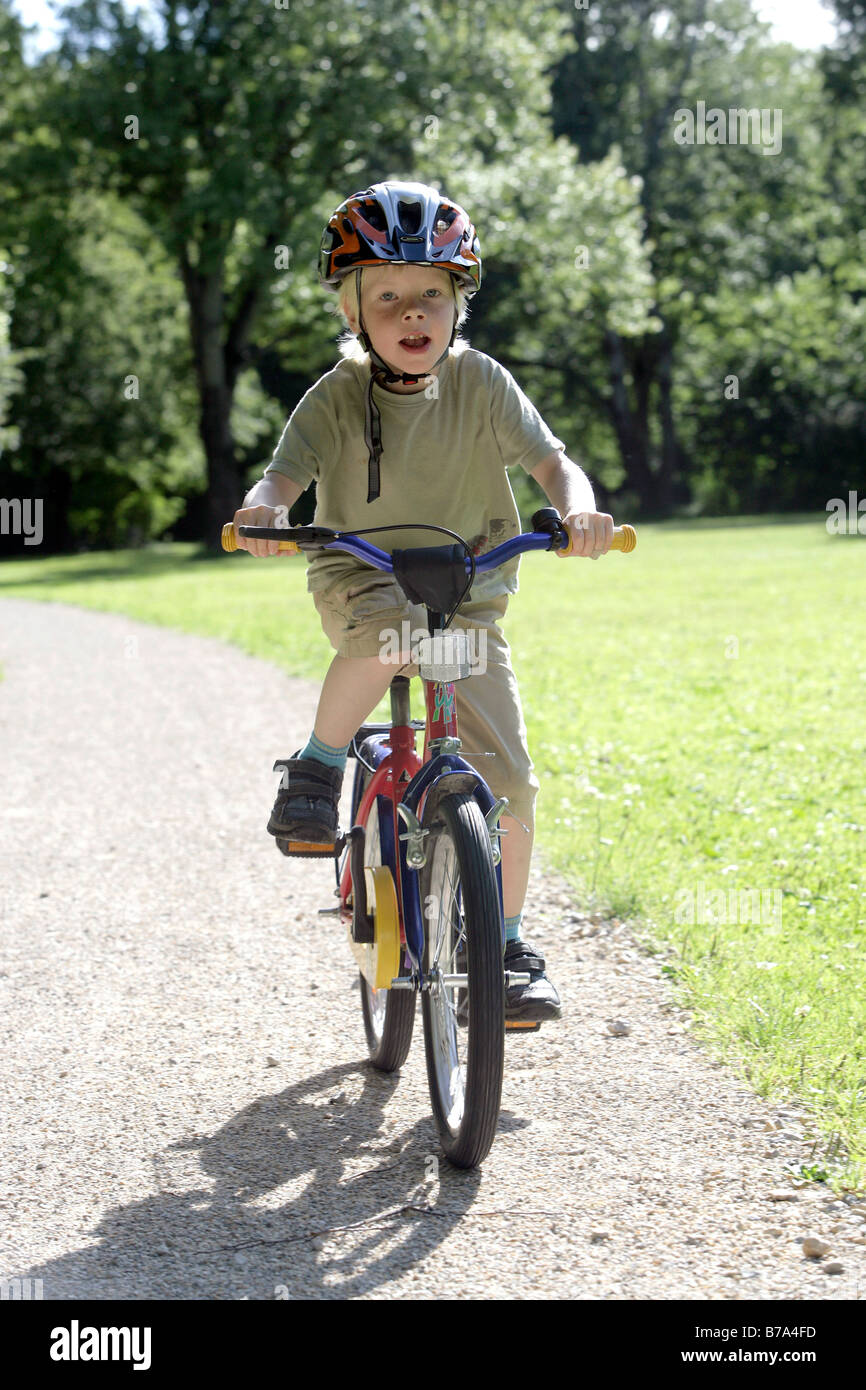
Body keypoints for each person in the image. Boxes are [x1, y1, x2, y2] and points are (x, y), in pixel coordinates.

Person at [231, 181, 613, 1024]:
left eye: (431, 294)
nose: (413, 313)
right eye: (389, 296)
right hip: (362, 576)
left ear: (457, 303)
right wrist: (265, 509)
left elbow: (554, 465)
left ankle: (504, 946)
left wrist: (578, 507)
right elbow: (283, 475)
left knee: (509, 777)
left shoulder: (483, 383)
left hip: (467, 590)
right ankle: (319, 765)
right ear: (354, 309)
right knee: (395, 633)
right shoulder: (336, 395)